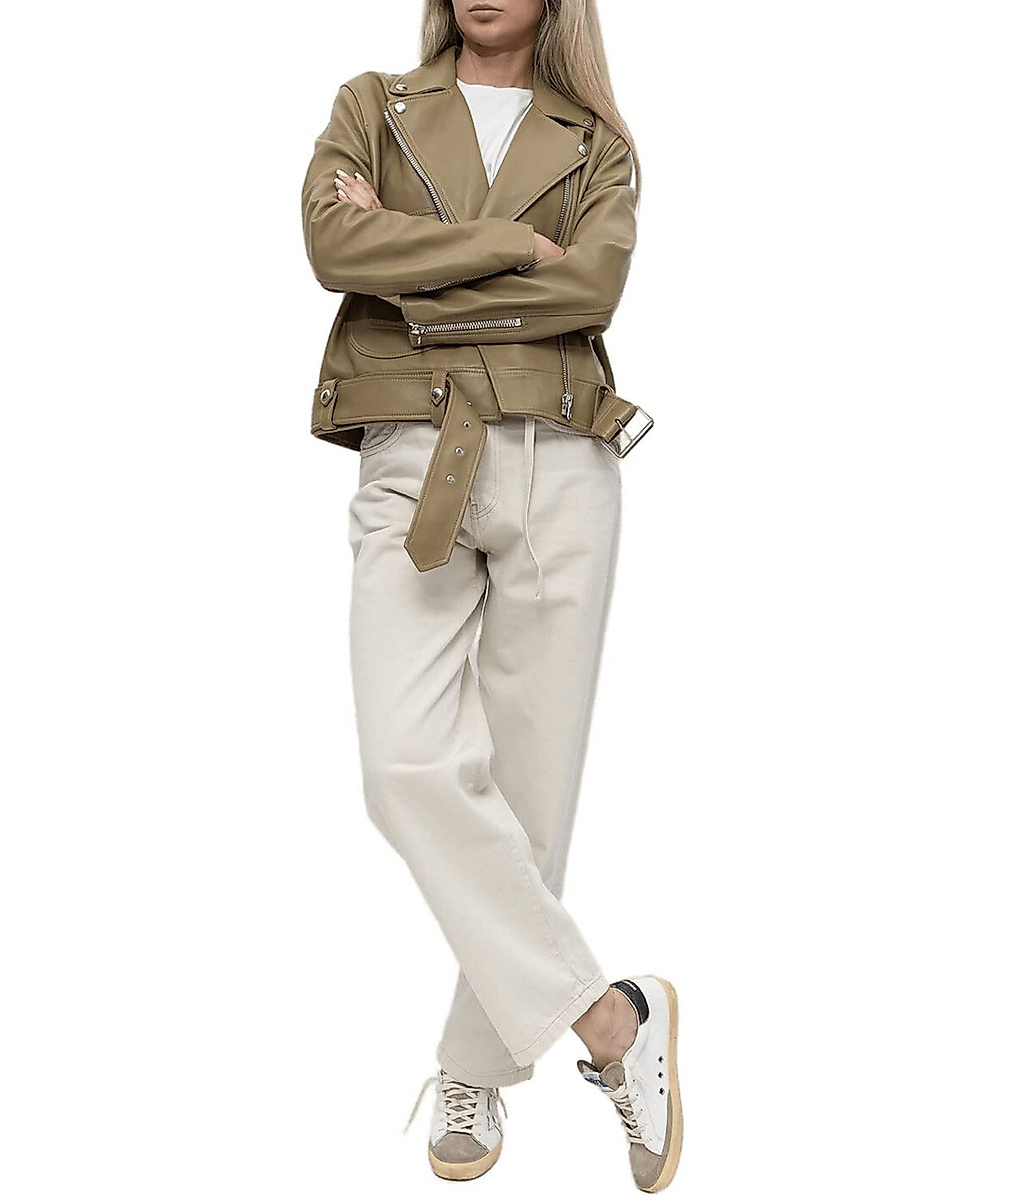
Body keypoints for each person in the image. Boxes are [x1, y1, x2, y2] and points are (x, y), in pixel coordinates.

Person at [300, 1, 679, 1191]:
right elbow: (333, 250)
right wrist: (516, 245)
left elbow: (592, 293)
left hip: (563, 453)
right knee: (405, 768)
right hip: (416, 450)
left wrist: (411, 264)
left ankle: (476, 1062)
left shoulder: (597, 139)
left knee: (529, 794)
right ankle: (609, 1019)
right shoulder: (373, 103)